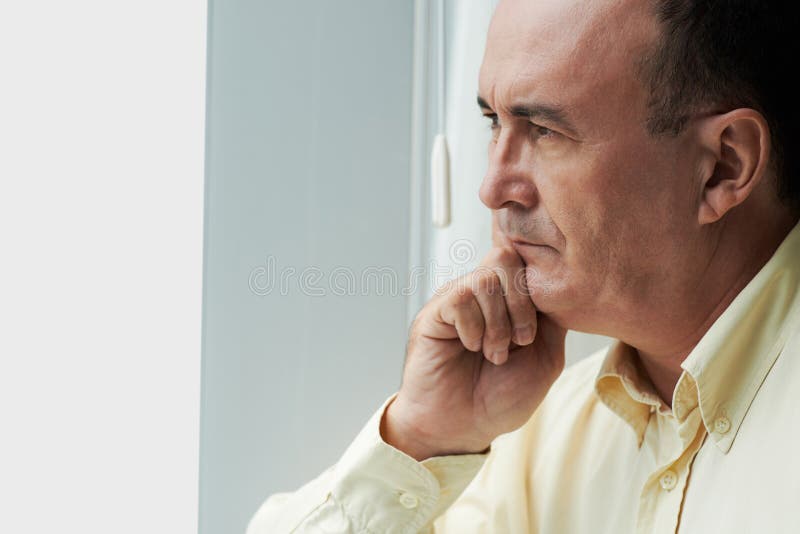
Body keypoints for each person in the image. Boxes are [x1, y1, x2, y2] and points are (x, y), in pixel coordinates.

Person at [247, 0, 800, 532]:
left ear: (722, 166)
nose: (491, 188)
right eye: (494, 122)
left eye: (544, 131)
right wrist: (423, 435)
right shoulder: (533, 441)